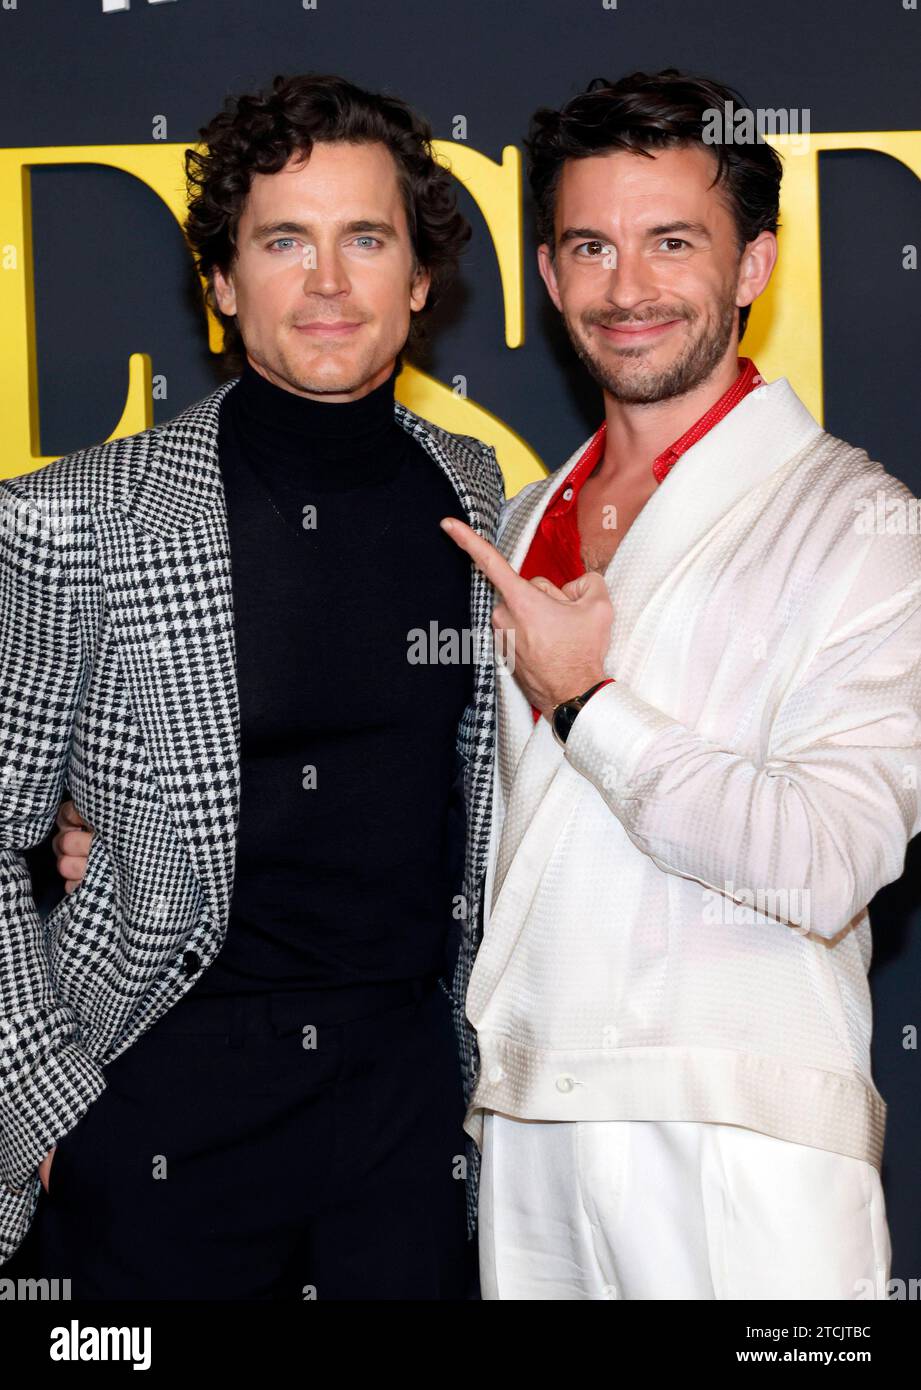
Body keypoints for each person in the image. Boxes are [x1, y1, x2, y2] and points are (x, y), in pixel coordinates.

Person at [0, 72, 502, 1299]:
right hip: (156, 1092)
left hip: (406, 1100)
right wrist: (53, 1111)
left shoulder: (478, 493)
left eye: (365, 239)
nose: (329, 282)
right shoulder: (71, 518)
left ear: (418, 280)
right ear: (222, 285)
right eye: (285, 241)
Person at [438, 69, 921, 1299]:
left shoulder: (865, 526)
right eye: (590, 247)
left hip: (743, 1132)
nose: (628, 288)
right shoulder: (525, 513)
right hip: (529, 1115)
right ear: (548, 276)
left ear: (754, 264)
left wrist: (592, 706)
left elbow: (823, 858)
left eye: (672, 242)